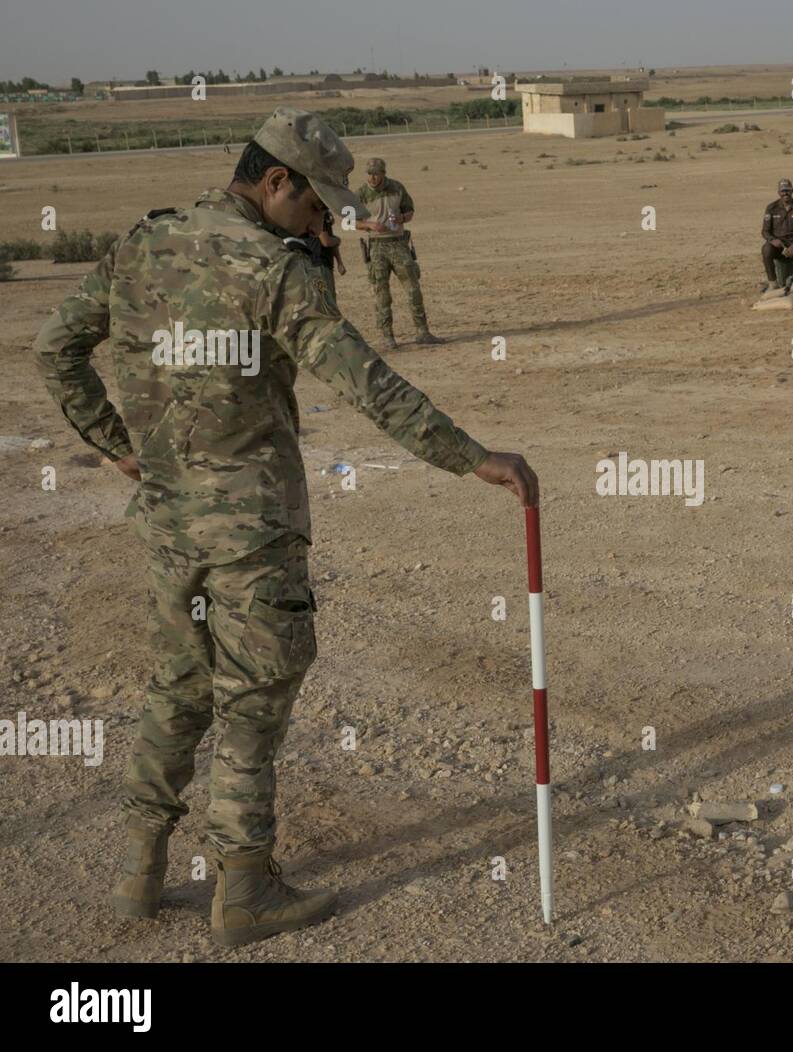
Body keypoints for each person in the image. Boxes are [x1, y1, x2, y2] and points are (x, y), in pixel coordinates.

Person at [33, 106, 538, 947]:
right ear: (275, 182)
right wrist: (470, 456)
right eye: (314, 206)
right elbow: (365, 382)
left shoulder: (141, 243)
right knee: (253, 704)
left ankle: (139, 872)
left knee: (177, 687)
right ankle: (244, 891)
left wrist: (120, 447)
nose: (324, 221)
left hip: (166, 523)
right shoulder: (273, 271)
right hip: (253, 532)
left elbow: (55, 349)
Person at [356, 157, 438, 350]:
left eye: (376, 173)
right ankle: (388, 336)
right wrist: (368, 225)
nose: (372, 177)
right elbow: (348, 221)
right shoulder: (361, 194)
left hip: (399, 244)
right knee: (381, 294)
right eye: (369, 173)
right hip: (377, 247)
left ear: (384, 173)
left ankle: (423, 332)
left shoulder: (397, 188)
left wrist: (401, 218)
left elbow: (410, 211)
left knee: (413, 290)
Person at [760, 178, 793, 290]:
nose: (785, 193)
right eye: (783, 191)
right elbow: (765, 231)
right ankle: (773, 282)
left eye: (788, 190)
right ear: (779, 193)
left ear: (792, 191)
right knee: (766, 249)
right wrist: (772, 240)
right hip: (778, 244)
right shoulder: (771, 208)